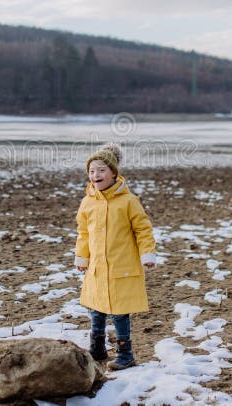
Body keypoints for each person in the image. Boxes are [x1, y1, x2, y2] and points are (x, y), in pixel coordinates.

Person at [74, 143, 156, 370]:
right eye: (91, 171)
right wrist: (82, 257)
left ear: (113, 173)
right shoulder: (87, 202)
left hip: (122, 265)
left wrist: (147, 253)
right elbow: (83, 233)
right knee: (96, 308)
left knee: (119, 311)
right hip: (97, 267)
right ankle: (97, 347)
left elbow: (143, 229)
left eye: (101, 170)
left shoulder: (128, 201)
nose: (95, 175)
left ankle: (125, 353)